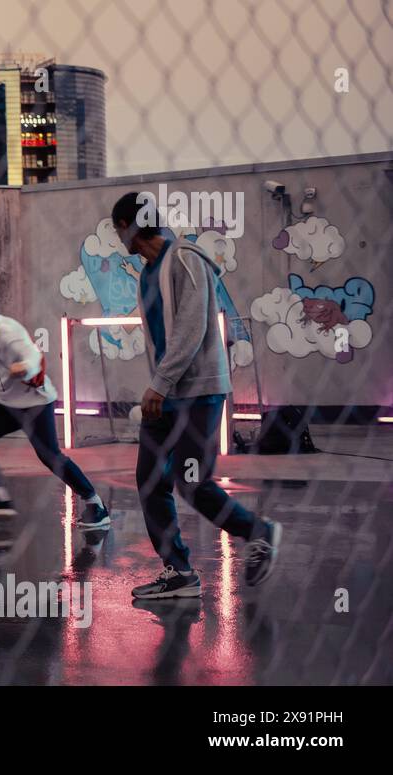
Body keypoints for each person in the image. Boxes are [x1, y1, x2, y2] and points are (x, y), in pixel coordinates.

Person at [111, 191, 281, 600]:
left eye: (119, 228)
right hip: (165, 397)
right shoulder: (148, 271)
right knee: (150, 480)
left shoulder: (185, 259)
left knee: (192, 483)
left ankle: (259, 532)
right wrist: (160, 387)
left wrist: (160, 384)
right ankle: (179, 572)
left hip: (198, 394)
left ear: (128, 228)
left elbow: (190, 330)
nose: (119, 237)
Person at [0, 293, 110, 528]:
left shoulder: (9, 332)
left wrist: (24, 368)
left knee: (49, 456)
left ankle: (96, 504)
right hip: (4, 404)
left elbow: (34, 357)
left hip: (35, 403)